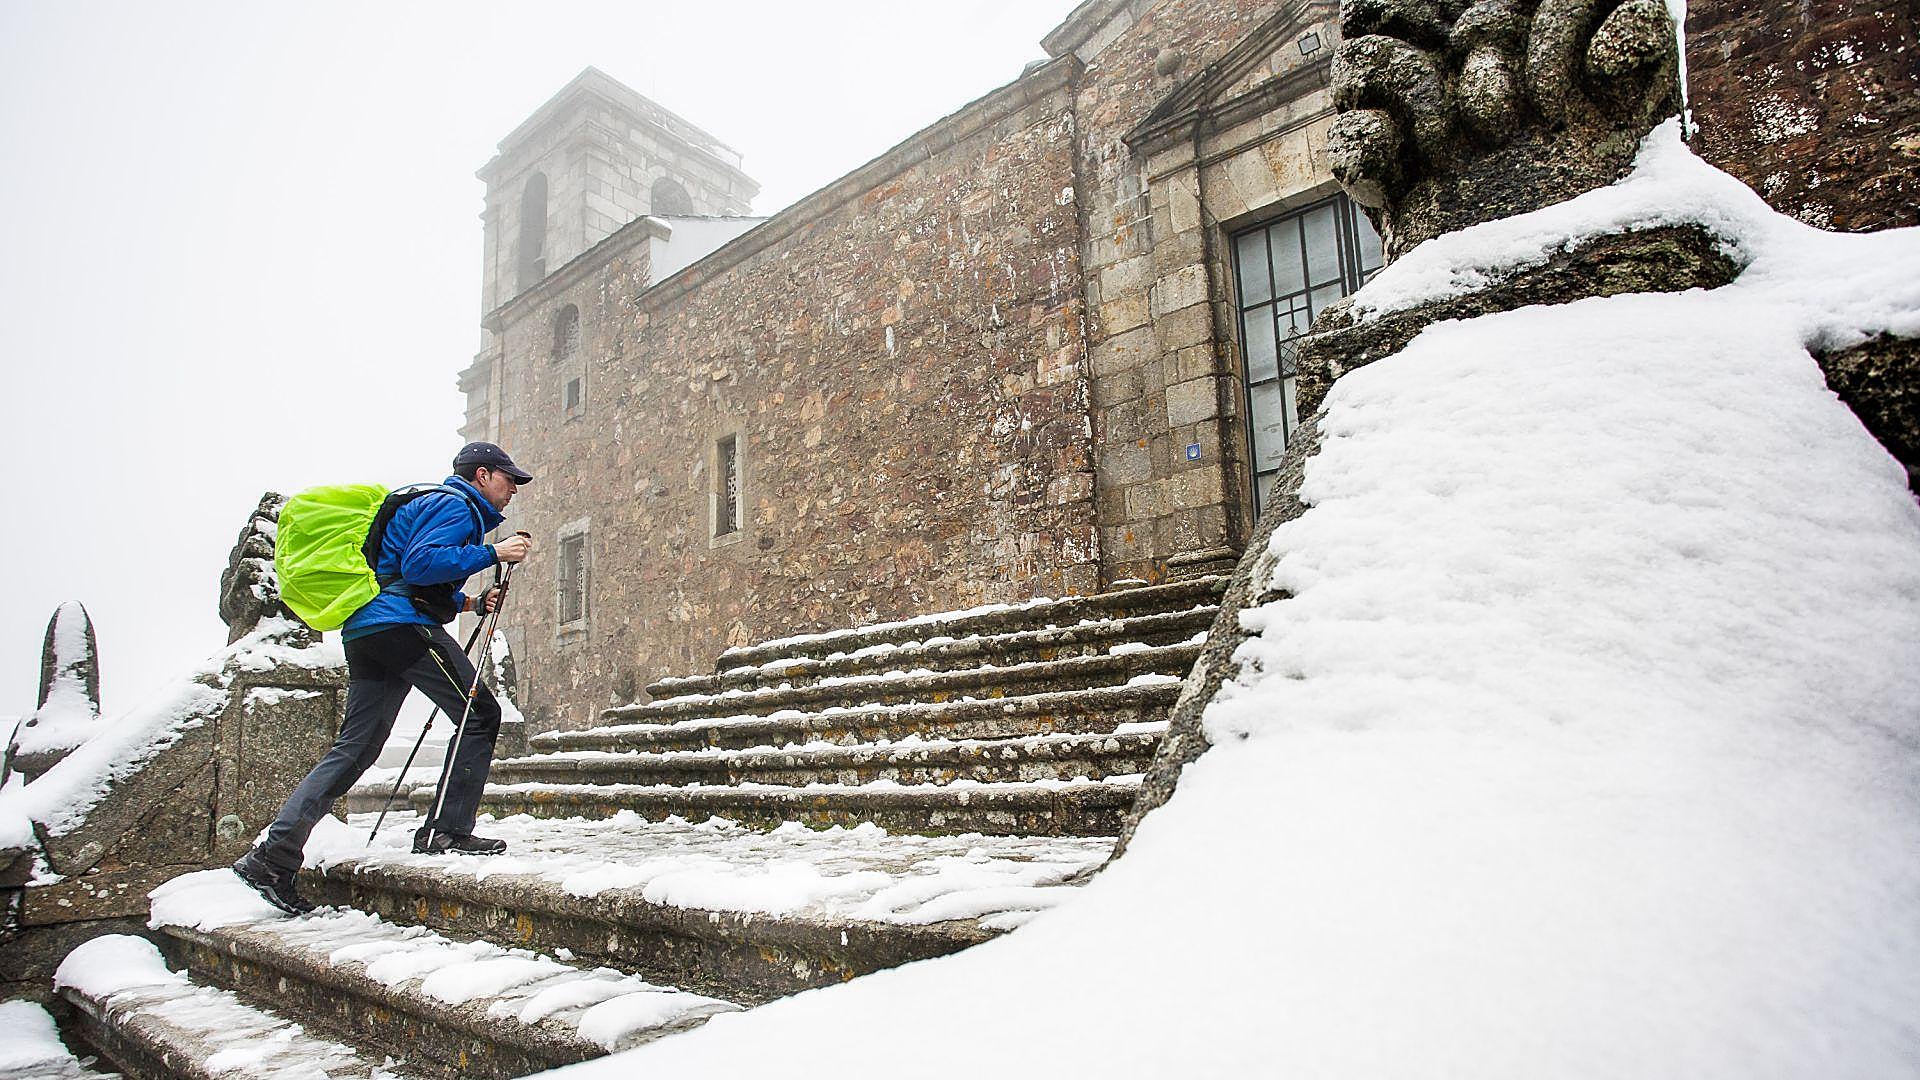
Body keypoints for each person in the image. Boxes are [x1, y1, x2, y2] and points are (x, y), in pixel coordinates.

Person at [233, 442, 536, 914]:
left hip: (368, 629)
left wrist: (471, 604)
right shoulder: (456, 505)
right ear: (481, 475)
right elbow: (421, 564)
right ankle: (447, 830)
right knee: (479, 712)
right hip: (401, 628)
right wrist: (493, 552)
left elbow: (403, 574)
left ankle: (272, 857)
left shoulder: (432, 503)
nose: (513, 488)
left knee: (357, 747)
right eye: (507, 478)